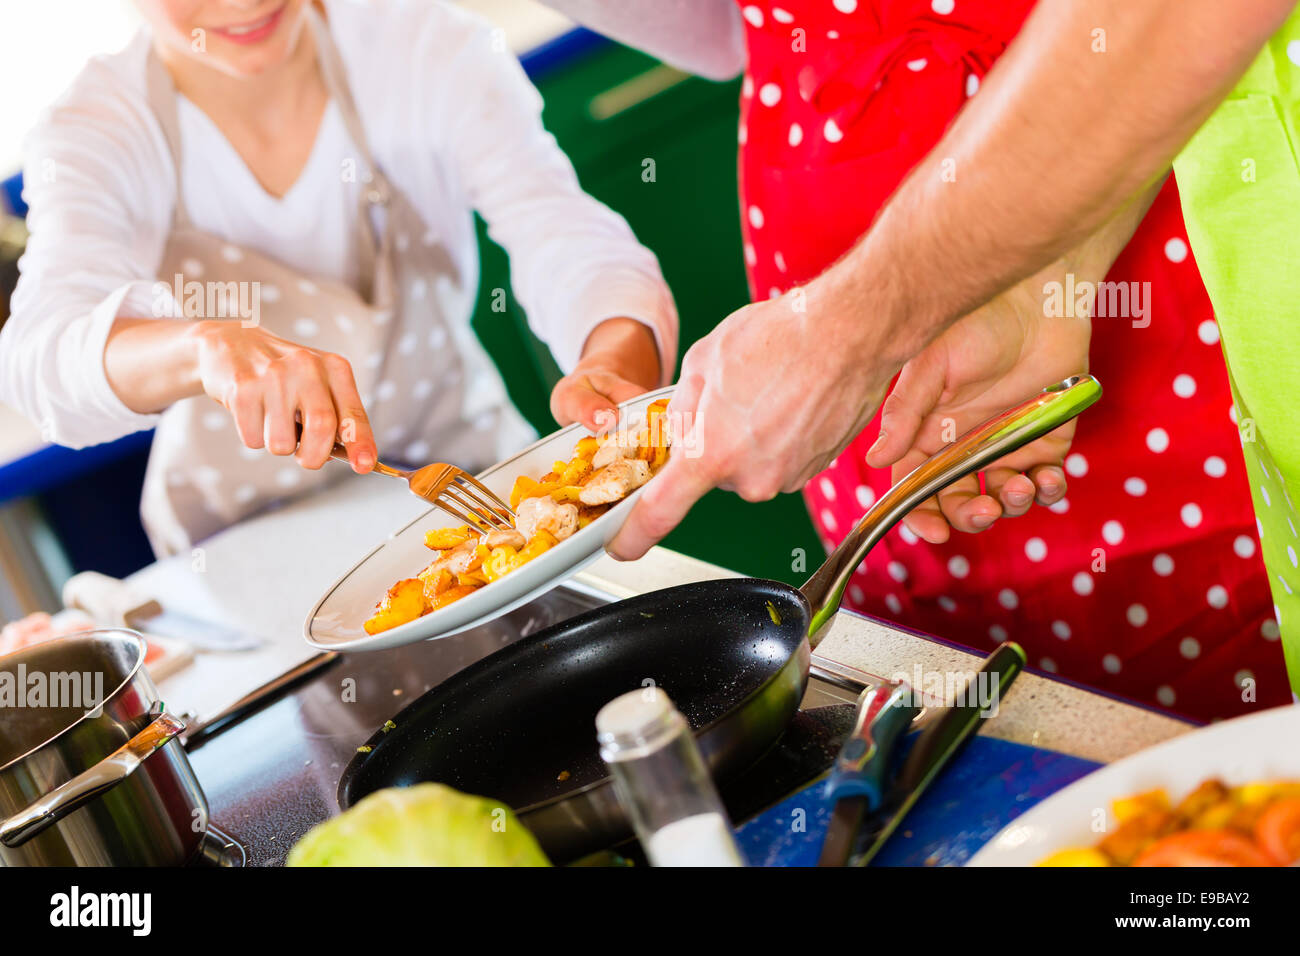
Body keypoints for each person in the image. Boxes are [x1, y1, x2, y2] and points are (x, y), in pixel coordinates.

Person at [544, 0, 1288, 719]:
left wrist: (848, 332)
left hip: (1155, 291)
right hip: (894, 354)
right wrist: (1032, 288)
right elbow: (713, 31)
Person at [0, 0, 676, 557]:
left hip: (473, 497)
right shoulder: (97, 130)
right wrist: (200, 347)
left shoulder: (422, 46)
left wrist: (613, 361)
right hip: (250, 564)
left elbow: (560, 231)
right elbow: (40, 358)